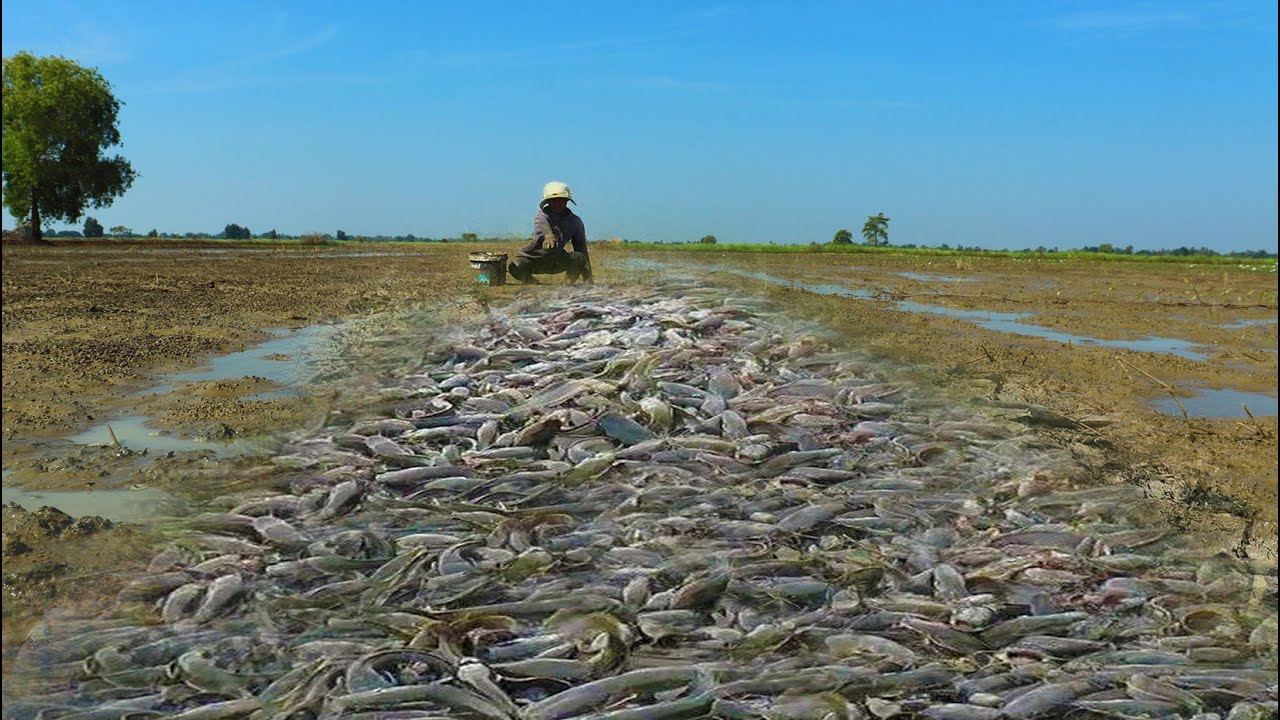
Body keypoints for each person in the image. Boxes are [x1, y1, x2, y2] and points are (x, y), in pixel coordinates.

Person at [508, 181, 593, 285]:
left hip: (557, 261)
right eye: (554, 200)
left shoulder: (575, 222)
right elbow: (543, 225)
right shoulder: (542, 215)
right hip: (534, 261)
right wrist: (549, 236)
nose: (558, 203)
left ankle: (567, 285)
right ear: (548, 202)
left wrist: (588, 277)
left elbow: (581, 249)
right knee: (516, 266)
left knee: (579, 257)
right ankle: (533, 283)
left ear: (567, 201)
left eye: (561, 200)